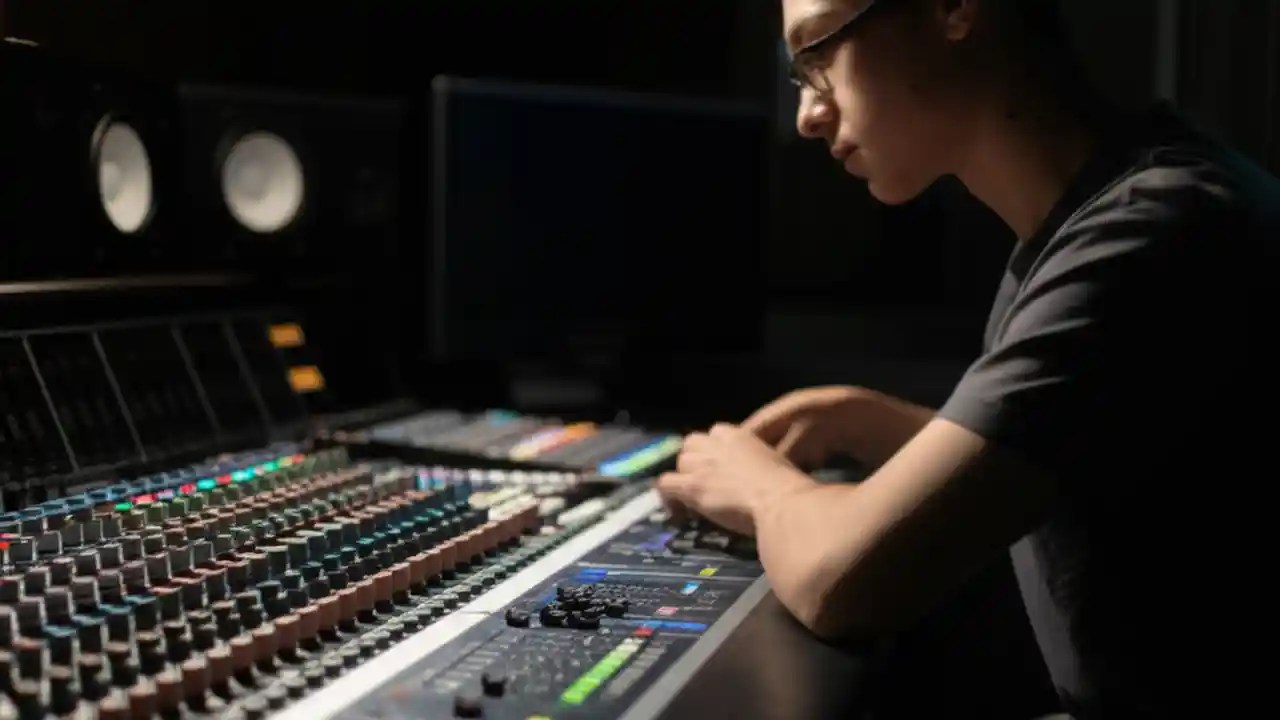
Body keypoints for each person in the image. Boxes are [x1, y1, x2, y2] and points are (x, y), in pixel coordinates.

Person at [656, 0, 1277, 717]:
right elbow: (1088, 462)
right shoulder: (1114, 208)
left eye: (818, 53)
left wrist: (762, 490)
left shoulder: (1150, 235)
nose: (808, 115)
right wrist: (883, 424)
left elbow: (840, 581)